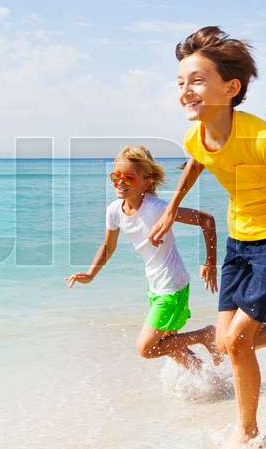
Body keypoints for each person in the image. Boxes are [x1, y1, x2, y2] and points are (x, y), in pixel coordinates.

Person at [148, 26, 266, 449]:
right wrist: (172, 207)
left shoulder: (259, 139)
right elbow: (197, 161)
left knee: (237, 342)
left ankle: (247, 432)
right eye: (180, 82)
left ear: (231, 88)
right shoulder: (195, 136)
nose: (185, 91)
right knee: (225, 340)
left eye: (197, 81)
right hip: (238, 241)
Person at [67, 146, 221, 369]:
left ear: (147, 182)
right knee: (169, 346)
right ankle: (206, 379)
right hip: (155, 286)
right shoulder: (114, 210)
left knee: (147, 348)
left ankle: (205, 335)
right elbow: (108, 246)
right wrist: (91, 274)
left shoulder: (156, 208)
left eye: (128, 178)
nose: (120, 182)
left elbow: (206, 220)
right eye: (116, 176)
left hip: (172, 286)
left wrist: (210, 263)